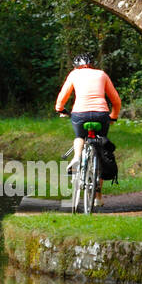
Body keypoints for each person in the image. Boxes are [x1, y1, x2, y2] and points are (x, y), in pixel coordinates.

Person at [55, 54, 122, 185]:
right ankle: (97, 197)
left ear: (76, 66)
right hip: (101, 114)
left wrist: (60, 109)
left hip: (80, 113)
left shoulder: (74, 74)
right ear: (93, 64)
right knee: (100, 146)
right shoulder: (102, 74)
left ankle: (77, 157)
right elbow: (116, 101)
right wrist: (113, 117)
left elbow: (62, 96)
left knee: (80, 136)